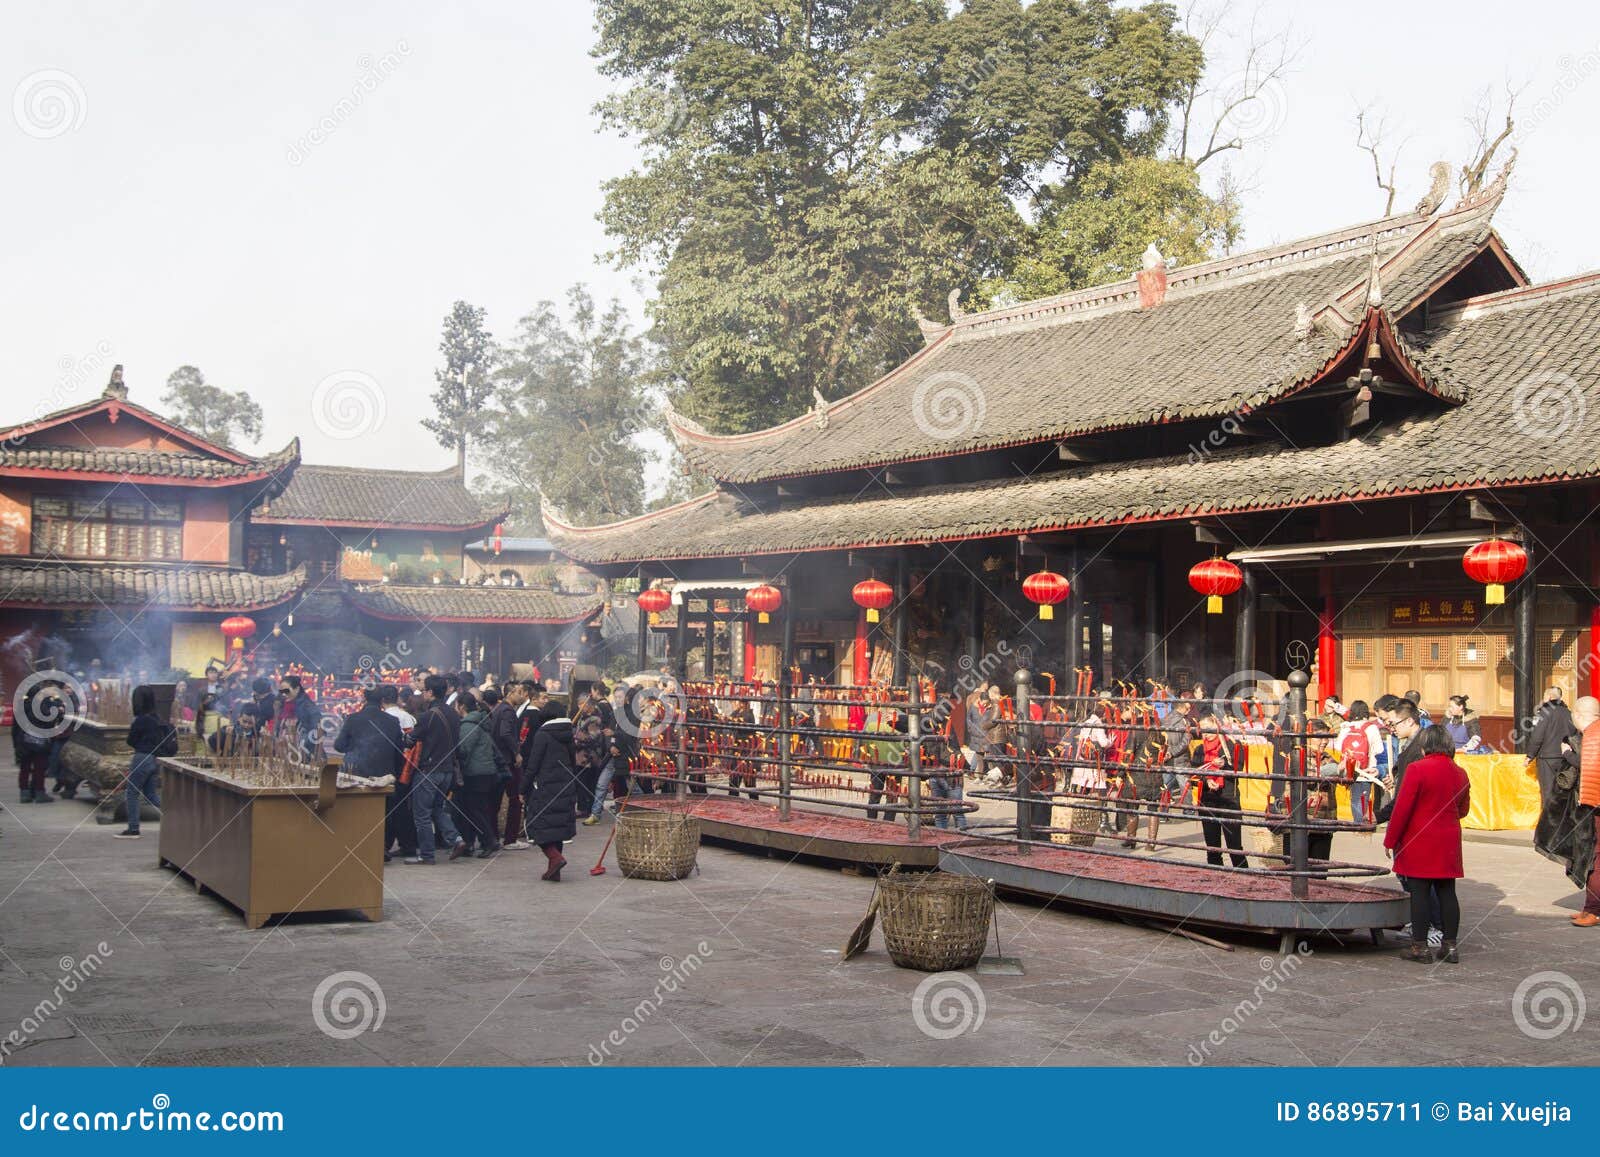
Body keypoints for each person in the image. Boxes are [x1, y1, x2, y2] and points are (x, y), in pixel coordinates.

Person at [1383, 724, 1471, 963]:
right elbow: (1463, 810)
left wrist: (1391, 839)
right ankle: (1450, 946)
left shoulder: (1417, 769)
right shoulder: (1460, 773)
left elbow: (1402, 809)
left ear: (1426, 747)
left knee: (1419, 893)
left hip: (1418, 839)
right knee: (1447, 892)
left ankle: (1419, 947)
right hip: (1448, 840)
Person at [404, 674, 467, 864]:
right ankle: (456, 839)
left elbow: (411, 739)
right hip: (448, 770)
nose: (423, 694)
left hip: (429, 770)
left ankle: (427, 855)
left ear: (430, 692)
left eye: (424, 690)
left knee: (422, 814)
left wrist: (405, 737)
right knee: (438, 809)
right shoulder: (453, 714)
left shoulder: (428, 716)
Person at [522, 708, 580, 881]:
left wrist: (522, 788)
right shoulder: (568, 734)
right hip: (566, 784)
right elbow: (573, 761)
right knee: (558, 828)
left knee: (536, 824)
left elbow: (533, 764)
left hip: (546, 786)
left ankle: (555, 858)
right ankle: (554, 872)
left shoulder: (542, 735)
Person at [115, 686, 176, 839]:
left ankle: (133, 828)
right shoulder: (158, 719)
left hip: (142, 757)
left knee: (132, 793)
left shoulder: (141, 720)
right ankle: (178, 815)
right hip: (155, 760)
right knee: (151, 794)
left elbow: (130, 740)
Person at [1194, 713, 1248, 868]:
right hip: (1208, 799)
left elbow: (1239, 767)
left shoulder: (1231, 745)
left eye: (1209, 728)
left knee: (1234, 845)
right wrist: (1207, 780)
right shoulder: (1199, 749)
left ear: (1216, 725)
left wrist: (1225, 764)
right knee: (1212, 846)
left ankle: (1243, 874)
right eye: (1203, 730)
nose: (1206, 733)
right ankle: (1215, 874)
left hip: (1228, 798)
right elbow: (1194, 773)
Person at [454, 692, 504, 858]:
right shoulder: (480, 721)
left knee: (475, 810)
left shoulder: (468, 725)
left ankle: (489, 841)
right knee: (478, 809)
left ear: (461, 706)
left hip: (476, 773)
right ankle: (479, 842)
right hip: (487, 771)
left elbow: (464, 751)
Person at [1564, 697, 1600, 927]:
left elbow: (1589, 768)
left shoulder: (1593, 736)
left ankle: (1593, 910)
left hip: (1596, 805)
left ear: (1577, 715)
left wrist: (1567, 754)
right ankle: (1589, 907)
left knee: (1595, 857)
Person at [378, 683, 418, 861]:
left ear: (382, 700)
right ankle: (408, 844)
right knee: (404, 809)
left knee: (389, 810)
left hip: (391, 768)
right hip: (409, 768)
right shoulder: (409, 717)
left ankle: (386, 845)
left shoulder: (385, 718)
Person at [333, 686, 404, 781]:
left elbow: (339, 746)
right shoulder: (393, 721)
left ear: (364, 698)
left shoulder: (352, 719)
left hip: (355, 774)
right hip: (384, 776)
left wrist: (355, 748)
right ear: (382, 700)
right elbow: (399, 751)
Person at [1335, 700, 1384, 826]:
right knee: (1364, 797)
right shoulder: (1372, 728)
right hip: (1367, 770)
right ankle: (1363, 824)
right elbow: (1379, 749)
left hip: (1350, 769)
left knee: (1355, 797)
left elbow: (1338, 747)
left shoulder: (1346, 727)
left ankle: (1358, 824)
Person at [1528, 687, 1575, 806]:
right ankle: (1562, 816)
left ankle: (1548, 817)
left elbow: (1537, 736)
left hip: (1547, 759)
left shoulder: (1545, 712)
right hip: (1566, 758)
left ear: (1548, 697)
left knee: (1548, 793)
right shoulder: (1569, 713)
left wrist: (1530, 755)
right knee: (1563, 791)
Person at [12, 681, 56, 804]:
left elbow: (15, 727)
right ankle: (39, 792)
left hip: (24, 741)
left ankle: (24, 793)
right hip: (40, 742)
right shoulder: (44, 707)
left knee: (24, 768)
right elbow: (50, 723)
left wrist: (16, 744)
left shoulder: (21, 706)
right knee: (39, 768)